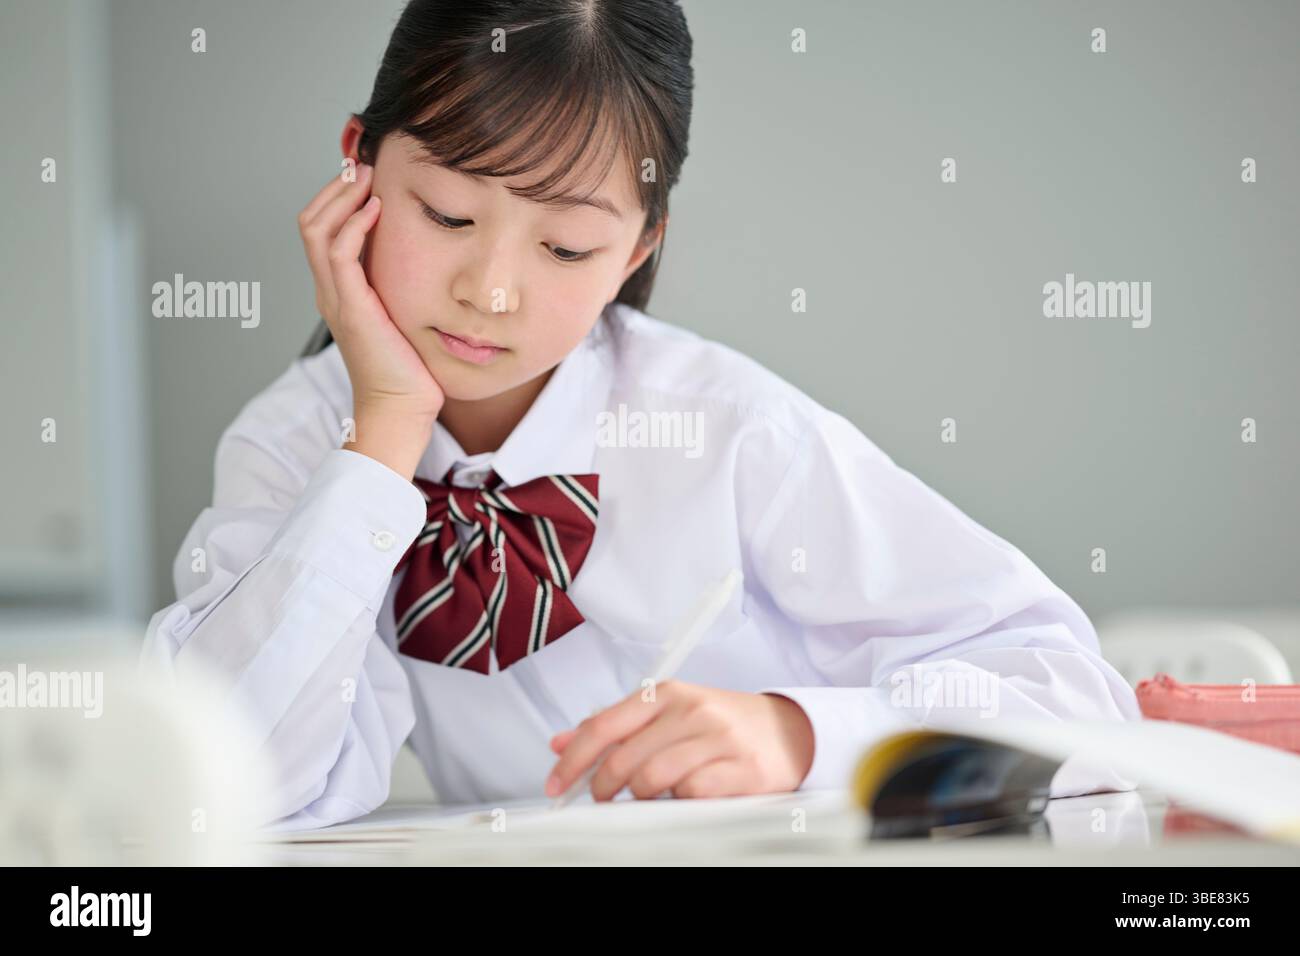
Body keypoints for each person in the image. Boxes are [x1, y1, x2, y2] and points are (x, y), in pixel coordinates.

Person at [140, 0, 1139, 831]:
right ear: (355, 168)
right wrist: (386, 434)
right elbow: (229, 787)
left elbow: (1079, 698)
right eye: (448, 215)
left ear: (637, 248)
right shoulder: (295, 444)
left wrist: (800, 735)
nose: (491, 292)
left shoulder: (729, 429)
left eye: (566, 248)